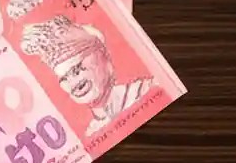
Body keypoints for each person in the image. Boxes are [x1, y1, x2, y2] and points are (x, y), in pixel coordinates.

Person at [21, 15, 154, 135]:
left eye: (77, 68)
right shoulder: (93, 133)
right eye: (64, 78)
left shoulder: (150, 89)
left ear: (104, 55)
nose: (73, 81)